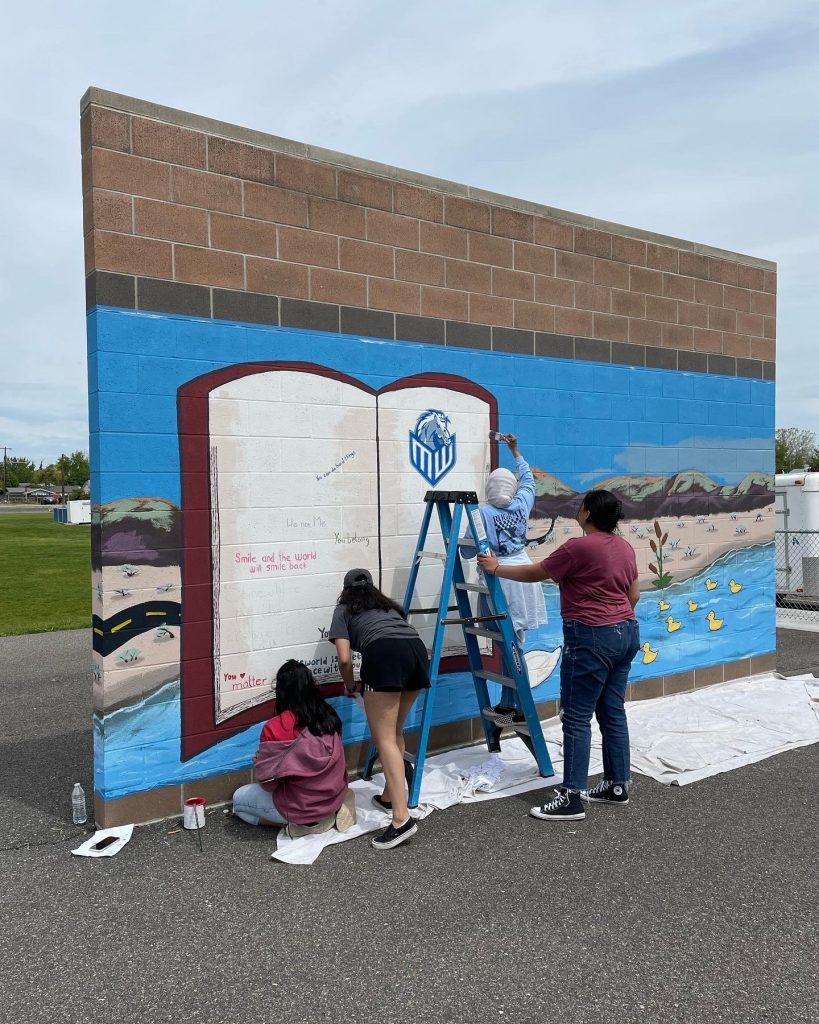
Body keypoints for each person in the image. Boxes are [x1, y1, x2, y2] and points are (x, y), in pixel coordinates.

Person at [478, 488, 640, 822]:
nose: (578, 511)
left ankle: (572, 796)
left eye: (581, 507)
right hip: (625, 633)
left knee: (576, 715)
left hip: (592, 637)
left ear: (587, 514)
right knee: (612, 711)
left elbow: (536, 572)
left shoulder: (579, 547)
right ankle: (616, 784)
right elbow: (633, 593)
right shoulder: (624, 547)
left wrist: (495, 568)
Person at [329, 568, 430, 851]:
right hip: (417, 652)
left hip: (384, 656)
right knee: (394, 731)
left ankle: (401, 819)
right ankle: (389, 794)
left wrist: (350, 685)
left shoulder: (344, 609)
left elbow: (345, 659)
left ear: (346, 589)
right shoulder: (390, 608)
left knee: (384, 738)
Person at [462, 433, 548, 726]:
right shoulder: (522, 504)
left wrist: (458, 545)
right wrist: (515, 452)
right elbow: (528, 481)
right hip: (524, 575)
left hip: (500, 581)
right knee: (516, 643)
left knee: (507, 645)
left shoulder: (482, 512)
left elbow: (468, 549)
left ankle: (518, 703)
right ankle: (509, 702)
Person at [231, 660, 356, 838]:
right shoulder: (329, 715)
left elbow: (268, 785)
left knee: (238, 802)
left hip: (300, 806)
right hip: (333, 796)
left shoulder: (275, 727)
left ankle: (298, 826)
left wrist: (260, 764)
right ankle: (331, 813)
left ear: (281, 691)